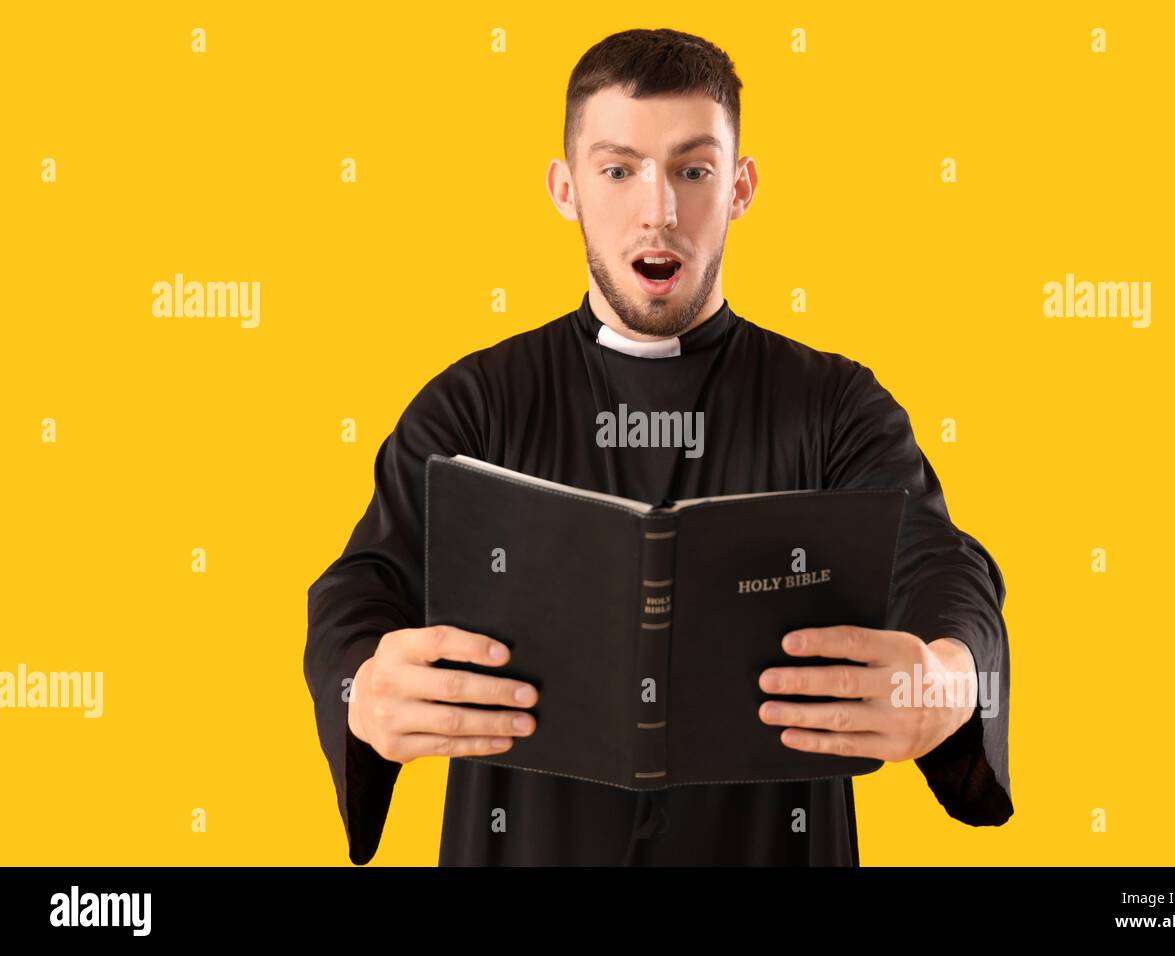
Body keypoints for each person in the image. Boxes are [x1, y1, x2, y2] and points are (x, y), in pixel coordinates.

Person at [305, 27, 1013, 866]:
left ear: (741, 187)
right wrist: (363, 686)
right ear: (565, 189)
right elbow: (364, 584)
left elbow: (940, 564)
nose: (659, 210)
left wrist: (952, 675)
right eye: (618, 169)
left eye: (693, 169)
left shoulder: (835, 405)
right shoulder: (475, 405)